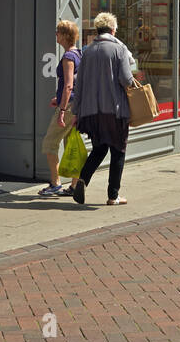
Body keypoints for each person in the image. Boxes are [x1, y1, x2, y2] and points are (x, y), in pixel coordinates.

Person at [69, 12, 134, 205]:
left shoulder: (87, 51)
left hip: (91, 112)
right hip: (114, 110)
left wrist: (75, 112)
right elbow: (125, 79)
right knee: (118, 150)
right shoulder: (118, 49)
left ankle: (82, 179)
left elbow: (78, 84)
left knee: (99, 148)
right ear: (113, 29)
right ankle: (113, 195)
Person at [39, 20, 82, 196]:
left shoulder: (68, 57)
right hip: (76, 105)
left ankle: (55, 183)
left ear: (64, 35)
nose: (55, 34)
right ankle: (74, 185)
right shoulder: (79, 54)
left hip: (69, 107)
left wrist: (62, 110)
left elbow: (69, 85)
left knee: (50, 143)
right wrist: (59, 98)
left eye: (58, 32)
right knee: (71, 144)